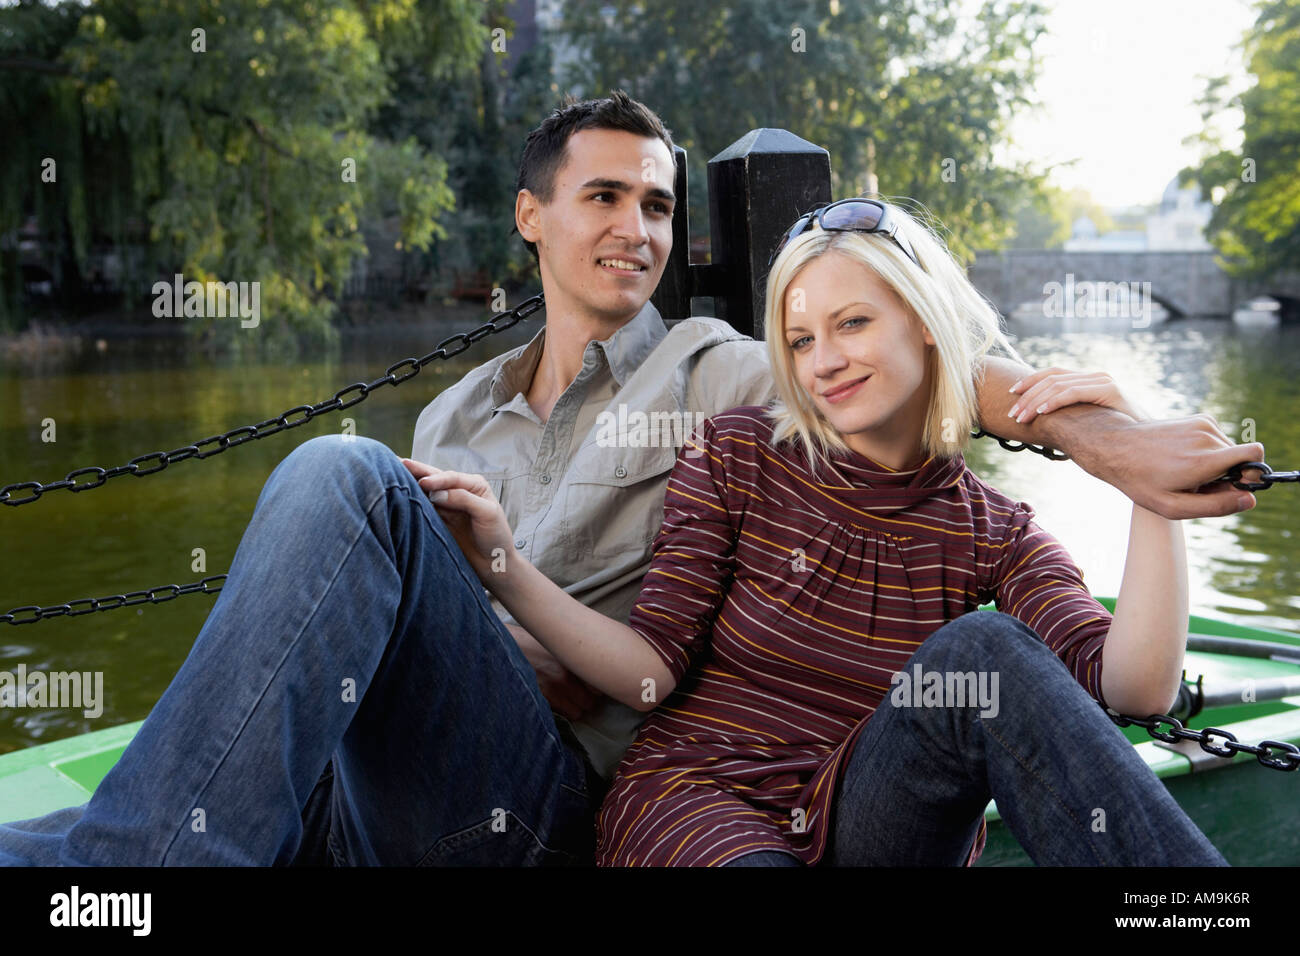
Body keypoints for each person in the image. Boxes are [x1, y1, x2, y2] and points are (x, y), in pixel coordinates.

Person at [0, 92, 1261, 866]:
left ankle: (147, 870)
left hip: (539, 803)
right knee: (352, 490)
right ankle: (157, 846)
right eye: (604, 195)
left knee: (347, 473)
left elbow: (913, 368)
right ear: (531, 218)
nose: (640, 228)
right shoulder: (455, 409)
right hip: (390, 779)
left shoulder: (719, 374)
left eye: (658, 205)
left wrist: (1117, 445)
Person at [413, 197, 1229, 866]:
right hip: (703, 803)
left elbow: (1135, 689)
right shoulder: (738, 453)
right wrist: (502, 562)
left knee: (984, 654)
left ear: (924, 323)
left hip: (875, 816)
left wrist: (1148, 480)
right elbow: (649, 673)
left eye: (853, 324)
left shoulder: (991, 528)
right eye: (801, 341)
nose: (823, 362)